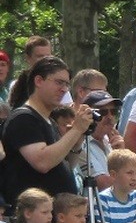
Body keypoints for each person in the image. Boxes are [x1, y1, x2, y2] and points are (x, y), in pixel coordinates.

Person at [2, 57, 90, 207]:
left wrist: (77, 141)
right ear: (39, 81)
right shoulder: (23, 118)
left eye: (67, 84)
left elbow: (67, 164)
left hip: (55, 219)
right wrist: (76, 129)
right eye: (59, 82)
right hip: (31, 219)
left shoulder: (50, 121)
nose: (64, 89)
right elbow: (42, 162)